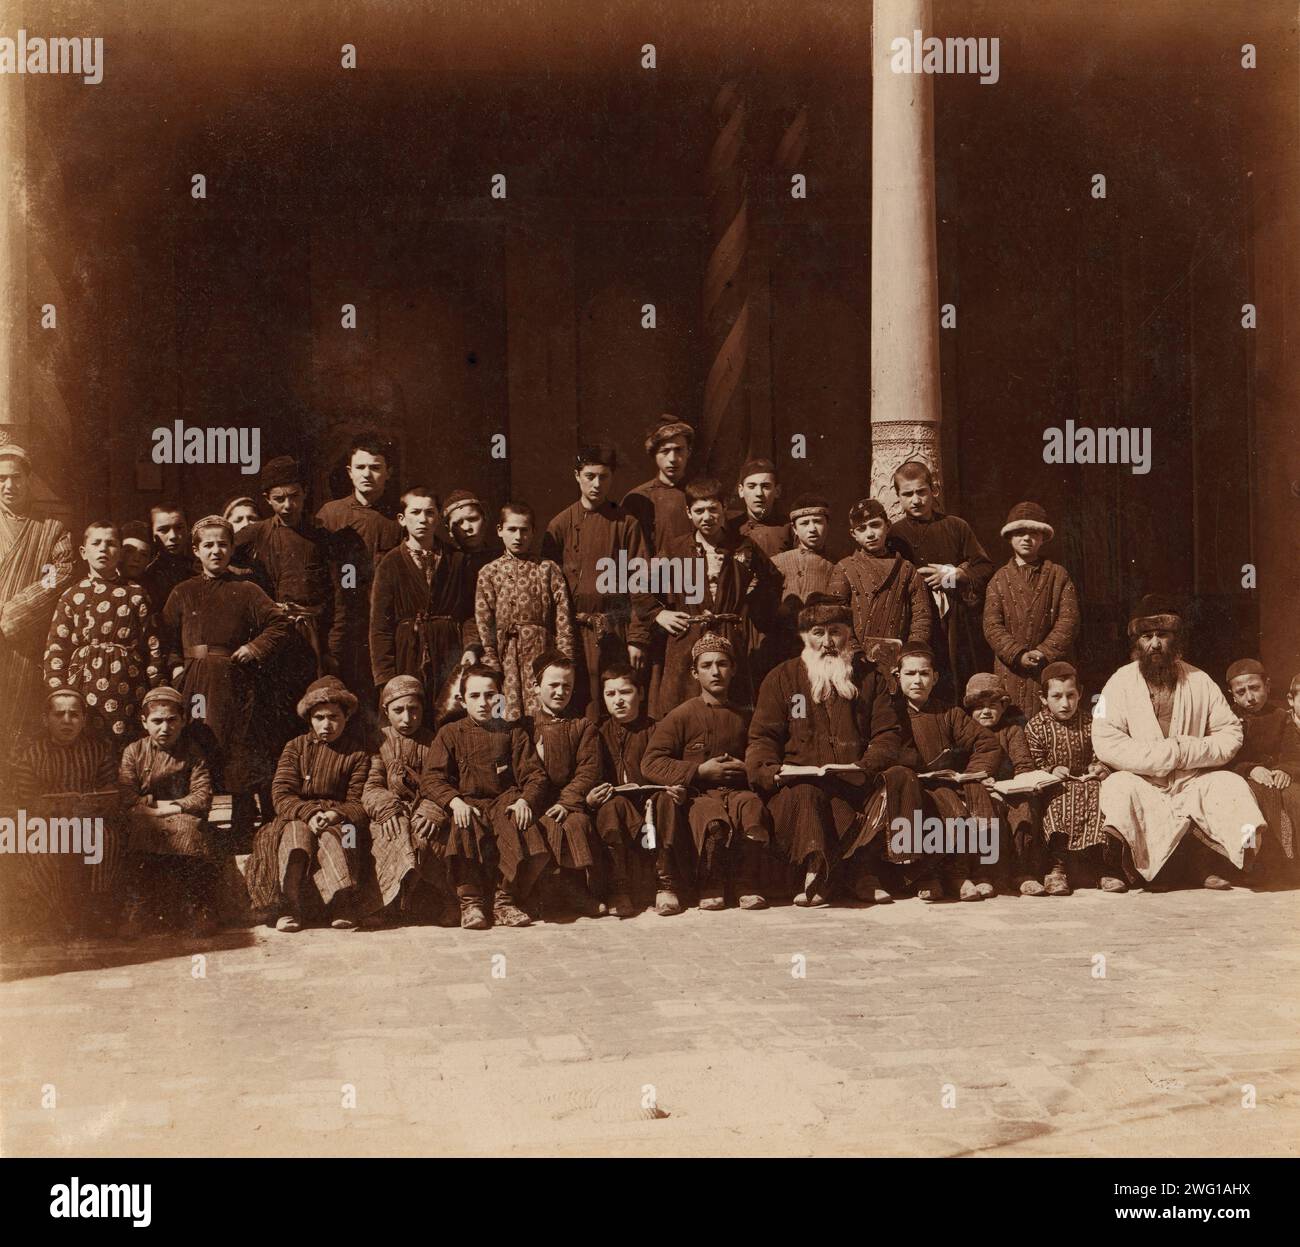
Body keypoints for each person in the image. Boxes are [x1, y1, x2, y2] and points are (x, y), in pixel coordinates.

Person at [746, 596, 920, 907]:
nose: (828, 642)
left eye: (836, 631)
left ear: (849, 635)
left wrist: (864, 767)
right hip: (802, 786)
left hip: (856, 782)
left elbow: (887, 734)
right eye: (817, 632)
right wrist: (772, 771)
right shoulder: (781, 679)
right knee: (809, 793)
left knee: (898, 777)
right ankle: (828, 871)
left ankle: (857, 873)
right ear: (804, 637)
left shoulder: (869, 679)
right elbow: (762, 739)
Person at [1093, 595, 1266, 890]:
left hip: (1191, 778)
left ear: (1175, 638)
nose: (1155, 644)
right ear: (1138, 642)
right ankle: (1122, 871)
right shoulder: (1118, 682)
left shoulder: (1200, 680)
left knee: (1229, 785)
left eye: (1162, 635)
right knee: (1118, 787)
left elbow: (1230, 732)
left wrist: (1185, 752)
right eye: (1147, 636)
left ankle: (1211, 866)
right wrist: (1158, 757)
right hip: (1142, 780)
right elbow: (1105, 737)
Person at [160, 516, 290, 844]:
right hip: (195, 683)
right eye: (208, 545)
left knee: (238, 751)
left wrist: (254, 647)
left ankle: (242, 828)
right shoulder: (183, 591)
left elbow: (278, 623)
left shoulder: (246, 589)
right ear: (196, 550)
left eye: (222, 544)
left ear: (232, 548)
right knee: (199, 745)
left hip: (234, 682)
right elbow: (165, 637)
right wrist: (177, 668)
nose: (216, 551)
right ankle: (196, 824)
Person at [642, 633, 770, 912]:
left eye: (723, 664)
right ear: (694, 672)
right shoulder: (682, 715)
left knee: (753, 809)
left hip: (736, 792)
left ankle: (746, 884)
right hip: (698, 795)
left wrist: (746, 767)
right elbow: (651, 762)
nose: (715, 671)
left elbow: (762, 753)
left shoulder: (746, 716)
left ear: (733, 669)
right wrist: (699, 770)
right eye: (707, 665)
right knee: (711, 818)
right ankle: (709, 884)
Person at [420, 664, 550, 929]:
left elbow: (535, 775)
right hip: (468, 801)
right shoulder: (450, 733)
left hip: (504, 800)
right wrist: (454, 801)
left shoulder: (513, 733)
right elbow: (432, 778)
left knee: (519, 824)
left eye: (490, 695)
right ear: (462, 700)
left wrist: (525, 800)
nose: (483, 703)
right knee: (465, 823)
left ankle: (505, 900)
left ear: (500, 697)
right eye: (475, 696)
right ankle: (471, 903)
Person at [234, 456, 347, 754]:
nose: (287, 506)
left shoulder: (322, 538)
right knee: (273, 715)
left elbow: (339, 597)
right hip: (273, 641)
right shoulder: (255, 534)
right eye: (279, 499)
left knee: (312, 710)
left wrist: (332, 649)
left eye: (294, 496)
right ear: (267, 500)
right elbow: (213, 559)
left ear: (305, 492)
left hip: (312, 640)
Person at [644, 476, 780, 719]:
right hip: (687, 638)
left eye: (713, 509)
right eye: (699, 511)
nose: (707, 517)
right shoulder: (675, 549)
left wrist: (748, 607)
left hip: (729, 637)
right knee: (683, 708)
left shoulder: (743, 547)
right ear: (688, 512)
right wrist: (659, 613)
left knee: (732, 708)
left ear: (724, 508)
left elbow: (772, 579)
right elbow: (640, 584)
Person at [246, 676, 369, 932]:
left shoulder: (356, 754)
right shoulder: (295, 748)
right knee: (295, 837)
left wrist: (336, 814)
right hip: (296, 814)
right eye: (319, 717)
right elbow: (281, 793)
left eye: (334, 716)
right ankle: (289, 905)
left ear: (346, 716)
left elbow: (357, 802)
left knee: (345, 837)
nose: (327, 725)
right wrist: (309, 813)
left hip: (339, 817)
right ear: (310, 719)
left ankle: (341, 901)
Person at [542, 445, 654, 717]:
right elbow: (545, 590)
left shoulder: (626, 524)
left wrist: (637, 638)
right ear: (577, 476)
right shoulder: (559, 526)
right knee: (578, 708)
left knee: (616, 705)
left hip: (614, 632)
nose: (596, 484)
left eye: (604, 477)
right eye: (590, 476)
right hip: (572, 633)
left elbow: (641, 582)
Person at [7, 688, 121, 938]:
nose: (67, 721)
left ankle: (96, 908)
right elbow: (25, 797)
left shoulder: (97, 751)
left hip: (88, 820)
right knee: (38, 844)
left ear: (84, 720)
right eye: (59, 715)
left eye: (74, 714)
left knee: (106, 839)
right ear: (46, 719)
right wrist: (50, 807)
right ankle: (51, 915)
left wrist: (94, 803)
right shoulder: (32, 754)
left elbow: (110, 789)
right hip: (44, 823)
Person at [894, 641, 1002, 902]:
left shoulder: (949, 713)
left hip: (943, 783)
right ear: (897, 677)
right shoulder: (890, 712)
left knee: (968, 794)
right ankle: (928, 876)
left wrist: (971, 774)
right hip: (906, 785)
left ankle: (965, 872)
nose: (917, 681)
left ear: (935, 677)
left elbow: (986, 743)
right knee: (940, 802)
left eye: (924, 673)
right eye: (910, 674)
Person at [43, 522, 162, 746]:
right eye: (96, 543)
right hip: (83, 684)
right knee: (87, 744)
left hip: (128, 684)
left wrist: (156, 690)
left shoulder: (136, 594)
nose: (103, 549)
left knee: (124, 745)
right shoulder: (72, 596)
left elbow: (153, 646)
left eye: (110, 544)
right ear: (83, 552)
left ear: (120, 552)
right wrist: (59, 692)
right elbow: (56, 648)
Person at [370, 485, 480, 725]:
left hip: (450, 652)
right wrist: (386, 678)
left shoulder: (457, 560)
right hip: (407, 653)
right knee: (409, 720)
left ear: (438, 517)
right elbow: (380, 626)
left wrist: (471, 647)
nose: (423, 519)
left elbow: (470, 615)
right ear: (401, 519)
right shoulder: (390, 564)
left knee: (448, 718)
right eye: (415, 513)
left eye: (429, 513)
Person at [587, 663, 690, 916]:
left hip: (651, 810)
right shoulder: (596, 732)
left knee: (664, 798)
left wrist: (680, 790)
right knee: (612, 805)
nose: (618, 701)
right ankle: (618, 889)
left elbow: (675, 769)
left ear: (640, 693)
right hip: (618, 812)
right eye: (610, 695)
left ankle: (665, 885)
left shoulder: (658, 729)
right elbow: (586, 774)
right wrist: (590, 797)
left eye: (625, 692)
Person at [888, 461, 993, 702]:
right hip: (915, 618)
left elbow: (984, 565)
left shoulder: (955, 526)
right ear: (898, 497)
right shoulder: (894, 534)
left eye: (921, 491)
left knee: (955, 673)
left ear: (933, 491)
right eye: (908, 494)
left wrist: (957, 574)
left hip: (955, 618)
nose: (916, 500)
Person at [117, 685, 216, 937]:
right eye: (157, 721)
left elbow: (202, 796)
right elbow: (127, 795)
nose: (165, 728)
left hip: (181, 815)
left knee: (188, 832)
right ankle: (136, 909)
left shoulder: (193, 752)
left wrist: (166, 807)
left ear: (183, 721)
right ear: (144, 722)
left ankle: (196, 907)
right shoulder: (133, 752)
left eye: (172, 720)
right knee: (139, 831)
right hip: (145, 818)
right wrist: (149, 810)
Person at [316, 435, 403, 716]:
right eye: (361, 467)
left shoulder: (398, 518)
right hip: (343, 624)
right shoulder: (331, 515)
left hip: (384, 624)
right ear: (350, 472)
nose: (368, 474)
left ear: (388, 472)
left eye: (376, 467)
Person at [360, 674, 457, 926]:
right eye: (398, 710)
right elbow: (370, 785)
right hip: (390, 812)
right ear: (385, 710)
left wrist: (434, 808)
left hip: (427, 811)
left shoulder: (436, 741)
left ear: (422, 709)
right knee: (389, 833)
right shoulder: (377, 741)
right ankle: (384, 903)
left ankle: (447, 901)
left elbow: (445, 780)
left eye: (413, 710)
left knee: (430, 836)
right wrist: (386, 807)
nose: (407, 718)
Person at [1024, 663, 1127, 895]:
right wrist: (1051, 769)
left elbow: (1102, 752)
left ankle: (1103, 867)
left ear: (1080, 692)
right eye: (1057, 696)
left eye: (1071, 695)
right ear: (1043, 698)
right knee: (1061, 800)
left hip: (1088, 782)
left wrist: (1099, 767)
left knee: (1102, 798)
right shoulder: (1036, 727)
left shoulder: (1092, 724)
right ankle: (1057, 868)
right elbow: (1032, 761)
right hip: (1054, 787)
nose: (1065, 703)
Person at [0, 442, 75, 761]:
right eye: (1, 478)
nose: (8, 485)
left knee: (18, 722)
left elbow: (59, 572)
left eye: (16, 477)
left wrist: (15, 612)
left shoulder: (51, 529)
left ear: (29, 479)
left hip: (23, 645)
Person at [474, 501, 574, 721]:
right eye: (512, 529)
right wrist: (491, 658)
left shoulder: (548, 569)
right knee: (507, 713)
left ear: (532, 532)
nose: (518, 536)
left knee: (543, 709)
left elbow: (563, 617)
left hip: (541, 650)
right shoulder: (489, 572)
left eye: (524, 530)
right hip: (506, 654)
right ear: (500, 530)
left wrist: (564, 659)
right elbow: (484, 620)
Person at [524, 651, 605, 918]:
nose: (560, 692)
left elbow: (588, 771)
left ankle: (575, 890)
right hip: (534, 800)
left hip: (567, 802)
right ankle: (541, 893)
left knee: (574, 824)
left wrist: (567, 802)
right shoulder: (523, 728)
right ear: (536, 688)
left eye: (566, 686)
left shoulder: (583, 727)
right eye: (553, 685)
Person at [982, 502, 1080, 717]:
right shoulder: (998, 580)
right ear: (1010, 537)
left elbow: (1068, 620)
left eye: (1033, 533)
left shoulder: (1058, 575)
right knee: (1014, 727)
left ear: (1043, 537)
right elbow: (991, 626)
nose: (1027, 538)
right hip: (1011, 670)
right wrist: (1018, 654)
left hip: (1051, 668)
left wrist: (1043, 652)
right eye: (1020, 533)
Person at [963, 673, 1043, 895]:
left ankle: (1022, 873)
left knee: (1023, 810)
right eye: (979, 706)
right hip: (978, 793)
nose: (986, 711)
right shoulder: (966, 733)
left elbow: (1024, 765)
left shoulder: (1012, 732)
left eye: (992, 705)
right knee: (983, 814)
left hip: (1008, 791)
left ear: (1003, 706)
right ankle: (983, 874)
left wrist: (1009, 786)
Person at [828, 497, 932, 661]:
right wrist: (856, 652)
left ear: (888, 525)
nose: (870, 534)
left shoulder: (907, 569)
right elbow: (835, 616)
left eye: (875, 525)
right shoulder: (844, 568)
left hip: (899, 661)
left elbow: (922, 616)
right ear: (853, 534)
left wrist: (910, 654)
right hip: (855, 660)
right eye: (862, 529)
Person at [1227, 660, 1298, 881]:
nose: (1250, 697)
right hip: (1243, 778)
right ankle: (1250, 861)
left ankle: (1290, 861)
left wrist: (1285, 770)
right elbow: (1227, 757)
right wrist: (1250, 769)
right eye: (1241, 691)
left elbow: (1292, 752)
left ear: (1267, 686)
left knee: (1294, 798)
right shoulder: (1229, 719)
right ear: (1233, 695)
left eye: (1255, 688)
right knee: (1248, 808)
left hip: (1277, 777)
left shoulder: (1281, 716)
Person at [763, 494, 838, 670]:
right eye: (804, 523)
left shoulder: (838, 565)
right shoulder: (776, 562)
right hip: (782, 648)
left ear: (828, 525)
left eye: (818, 521)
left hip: (820, 648)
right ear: (794, 529)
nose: (812, 529)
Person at [622, 416, 695, 554]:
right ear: (654, 454)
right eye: (665, 451)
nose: (672, 459)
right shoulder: (638, 499)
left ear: (689, 452)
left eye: (679, 450)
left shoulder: (702, 494)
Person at [726, 458, 791, 555]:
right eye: (751, 486)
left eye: (766, 486)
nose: (759, 493)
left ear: (777, 491)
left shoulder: (790, 528)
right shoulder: (729, 528)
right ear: (741, 491)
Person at [140, 505, 196, 618]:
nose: (173, 536)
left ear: (188, 530)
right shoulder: (148, 575)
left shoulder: (199, 568)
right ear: (152, 534)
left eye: (179, 528)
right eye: (163, 530)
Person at [442, 489, 500, 577]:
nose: (467, 528)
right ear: (449, 530)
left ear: (485, 519)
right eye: (458, 523)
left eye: (473, 519)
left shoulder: (501, 561)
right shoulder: (444, 566)